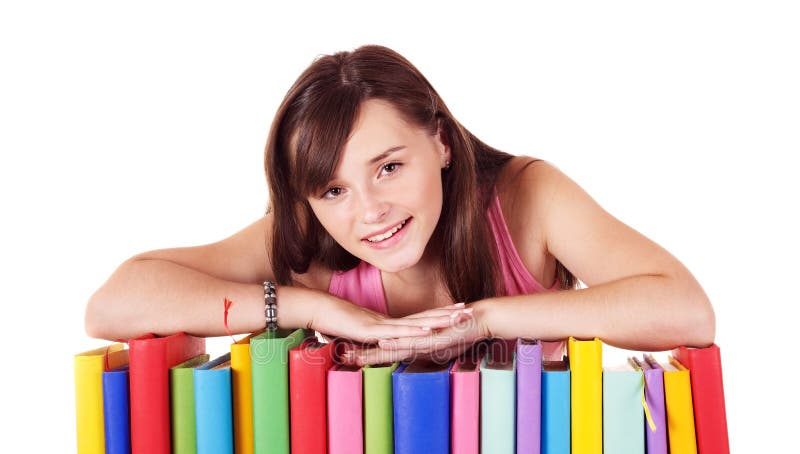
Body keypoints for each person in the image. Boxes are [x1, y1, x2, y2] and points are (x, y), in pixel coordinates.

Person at [84, 45, 715, 365]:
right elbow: (114, 302)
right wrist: (313, 306)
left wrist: (487, 319)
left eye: (388, 167)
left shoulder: (529, 198)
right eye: (334, 189)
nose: (369, 212)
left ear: (439, 142)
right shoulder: (314, 243)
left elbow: (687, 313)